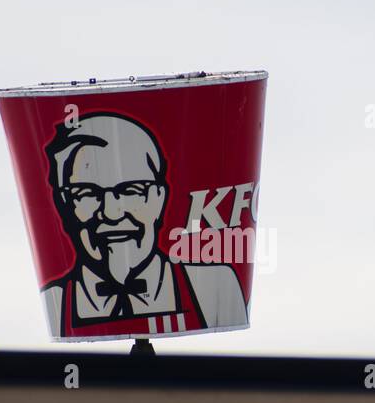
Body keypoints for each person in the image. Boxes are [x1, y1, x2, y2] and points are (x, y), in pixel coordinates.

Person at [41, 112, 248, 341]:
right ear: (63, 205)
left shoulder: (212, 284)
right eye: (87, 193)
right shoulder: (56, 300)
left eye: (131, 191)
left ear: (159, 198)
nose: (111, 213)